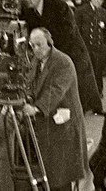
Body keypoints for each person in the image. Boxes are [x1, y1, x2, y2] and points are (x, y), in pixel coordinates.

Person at [22, 27, 85, 191]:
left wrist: (35, 108)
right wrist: (27, 98)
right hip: (48, 127)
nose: (35, 49)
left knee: (61, 177)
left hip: (64, 128)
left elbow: (55, 91)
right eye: (32, 45)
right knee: (50, 175)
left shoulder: (63, 62)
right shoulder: (37, 61)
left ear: (49, 43)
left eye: (39, 45)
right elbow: (30, 85)